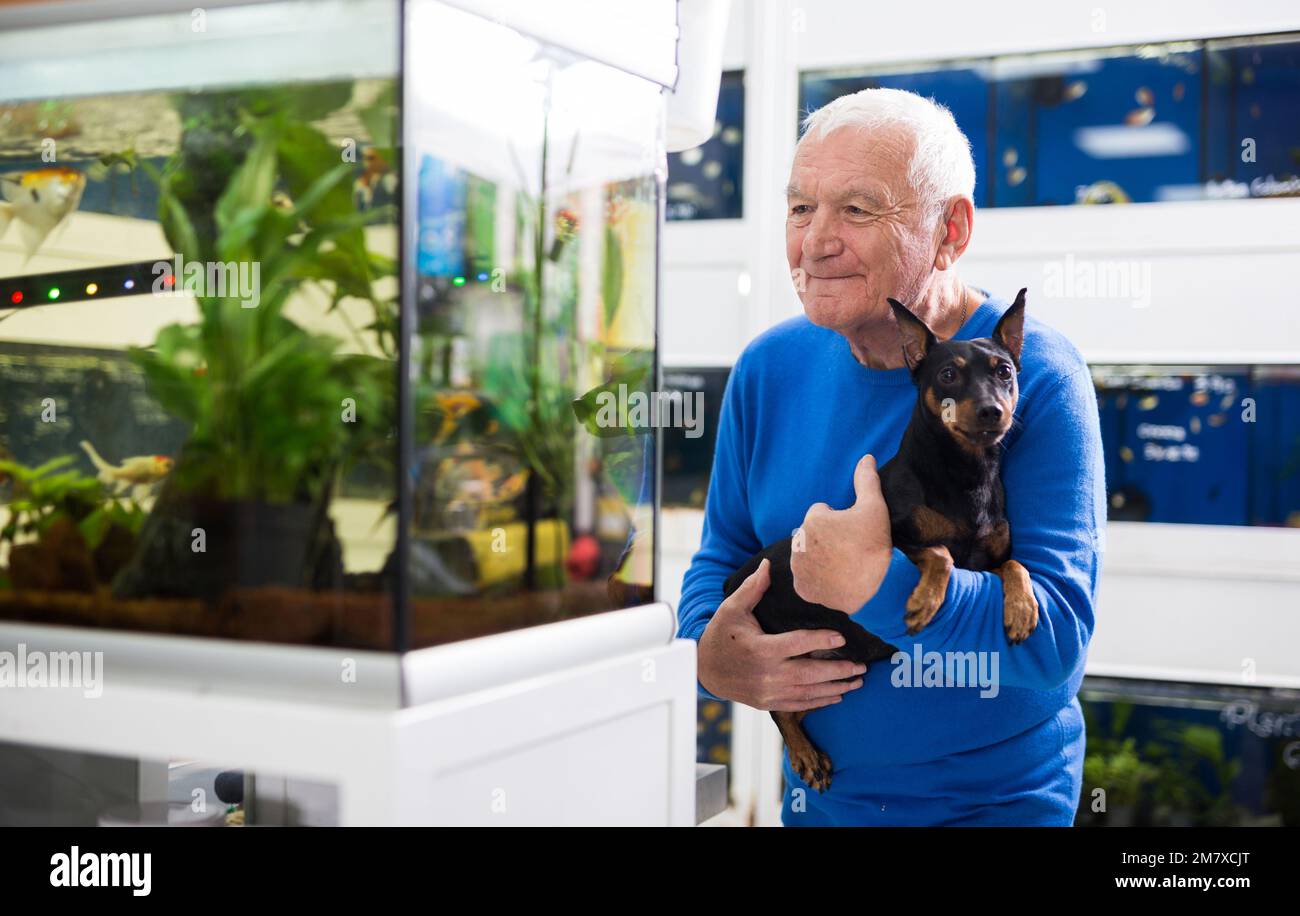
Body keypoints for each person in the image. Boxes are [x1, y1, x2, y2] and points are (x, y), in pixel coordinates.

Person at [675, 88, 1106, 826]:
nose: (815, 241)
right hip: (822, 805)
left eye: (858, 209)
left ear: (951, 229)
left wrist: (876, 580)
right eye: (801, 208)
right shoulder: (768, 367)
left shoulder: (1033, 383)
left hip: (990, 809)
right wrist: (709, 659)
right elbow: (721, 562)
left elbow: (1054, 646)